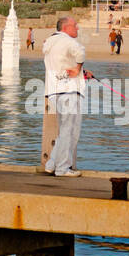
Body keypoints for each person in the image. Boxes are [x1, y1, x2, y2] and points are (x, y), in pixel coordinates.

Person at [43, 16, 92, 177]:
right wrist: (78, 68)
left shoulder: (50, 42)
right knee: (71, 132)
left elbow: (61, 64)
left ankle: (51, 164)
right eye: (75, 26)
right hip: (69, 91)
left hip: (54, 91)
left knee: (64, 131)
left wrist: (81, 72)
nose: (77, 28)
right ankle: (62, 168)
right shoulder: (68, 41)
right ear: (65, 27)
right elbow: (81, 53)